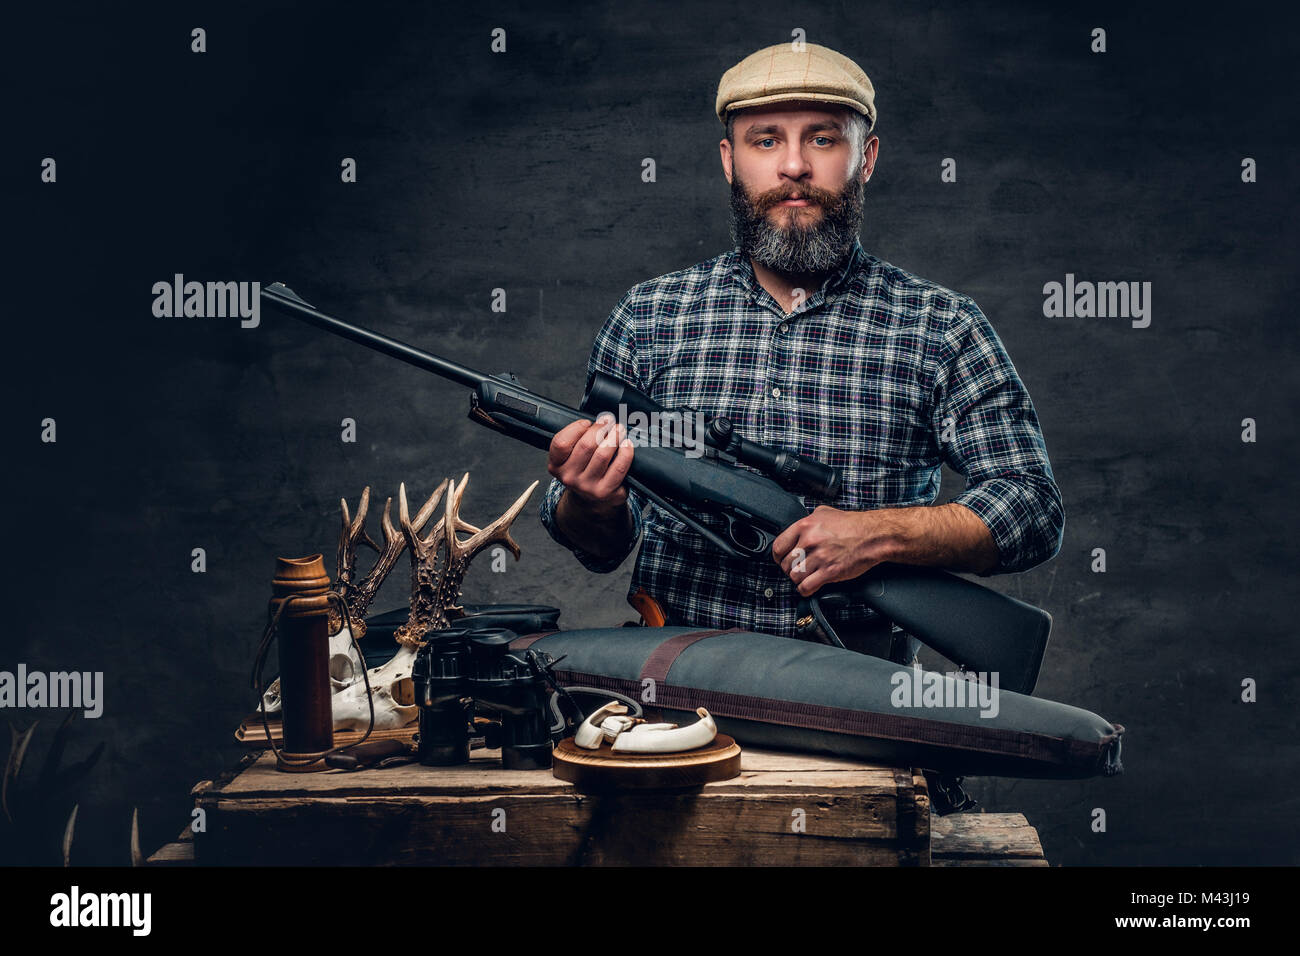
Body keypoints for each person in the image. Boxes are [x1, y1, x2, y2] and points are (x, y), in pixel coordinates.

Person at [539, 42, 1063, 662]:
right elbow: (599, 549)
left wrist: (879, 534)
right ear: (729, 161)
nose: (793, 166)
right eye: (765, 141)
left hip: (861, 691)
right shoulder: (649, 317)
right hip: (672, 685)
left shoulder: (941, 325)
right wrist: (591, 500)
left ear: (865, 158)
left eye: (822, 139)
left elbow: (1032, 506)